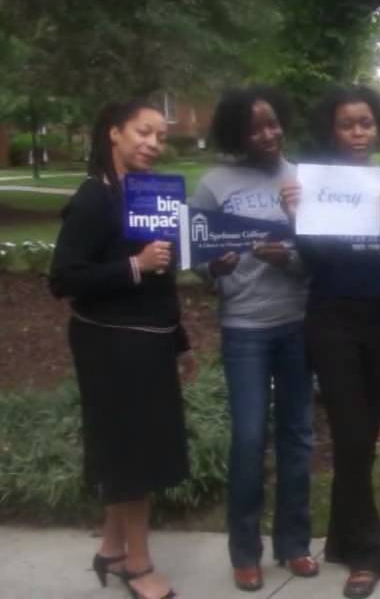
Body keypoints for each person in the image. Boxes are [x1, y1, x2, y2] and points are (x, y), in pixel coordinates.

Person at [51, 101, 195, 599]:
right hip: (108, 344)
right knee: (132, 456)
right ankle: (139, 564)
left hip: (150, 342)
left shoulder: (151, 196)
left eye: (161, 135)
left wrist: (179, 340)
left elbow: (162, 280)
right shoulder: (94, 199)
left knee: (136, 450)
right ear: (114, 133)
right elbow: (63, 278)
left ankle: (112, 548)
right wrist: (134, 265)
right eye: (143, 132)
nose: (155, 143)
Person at [281, 86, 380, 599]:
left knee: (364, 437)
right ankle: (366, 554)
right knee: (352, 436)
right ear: (332, 132)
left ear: (377, 127)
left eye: (366, 123)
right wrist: (296, 220)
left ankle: (338, 539)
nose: (358, 133)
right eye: (347, 125)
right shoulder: (315, 186)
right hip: (331, 319)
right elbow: (313, 263)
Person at [191, 87, 315, 592]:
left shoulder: (303, 179)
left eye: (272, 124)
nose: (267, 135)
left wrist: (287, 257)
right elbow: (199, 259)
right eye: (254, 128)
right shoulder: (214, 185)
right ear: (236, 135)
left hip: (297, 324)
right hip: (244, 328)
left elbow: (320, 258)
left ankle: (294, 544)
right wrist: (212, 267)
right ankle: (245, 552)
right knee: (248, 439)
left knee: (299, 438)